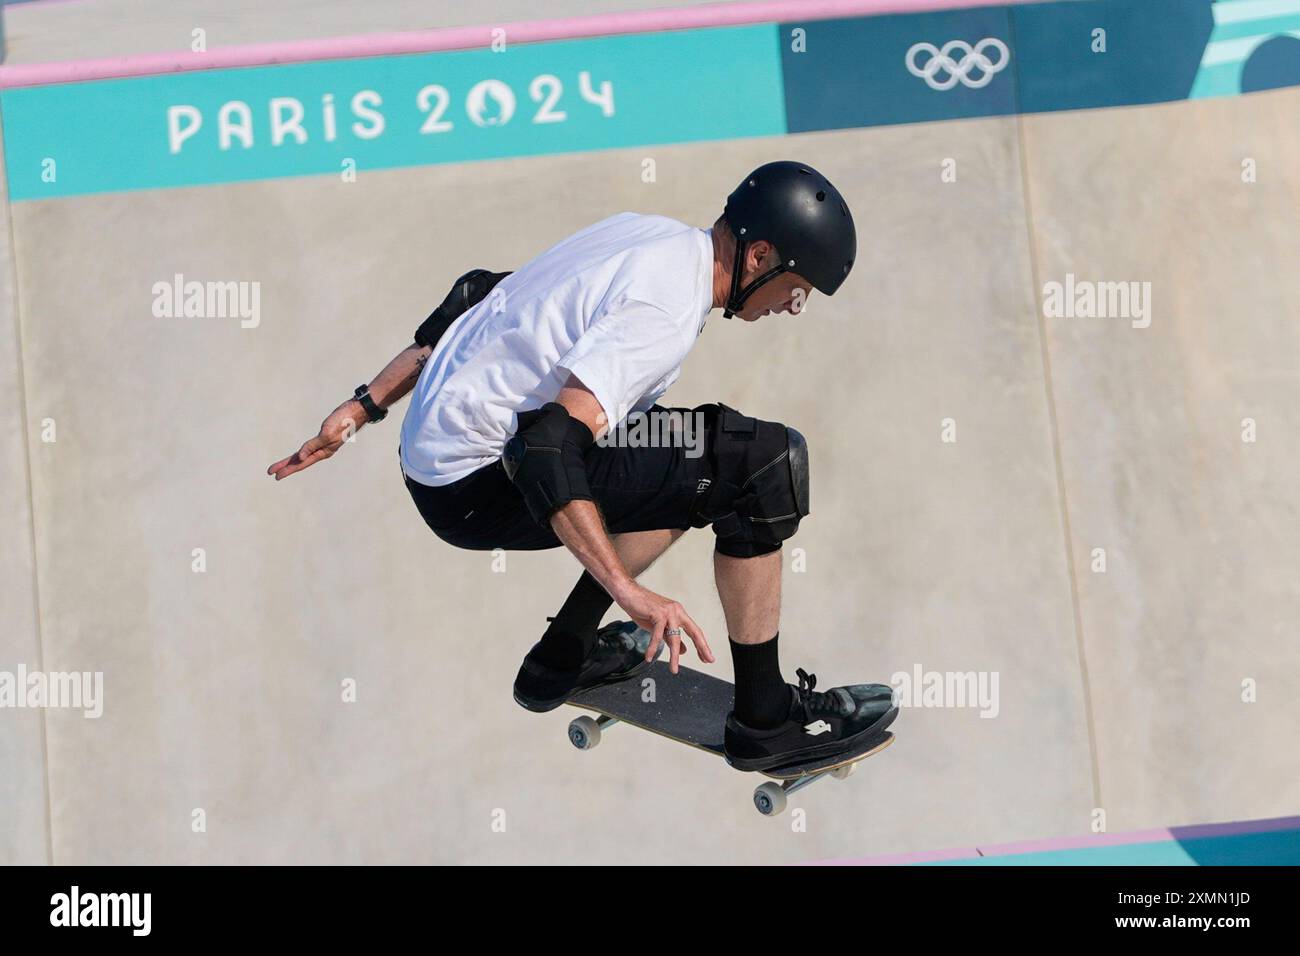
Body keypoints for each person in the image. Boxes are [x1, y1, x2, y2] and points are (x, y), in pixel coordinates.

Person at [268, 161, 896, 771]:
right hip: (478, 482)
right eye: (798, 290)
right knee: (762, 463)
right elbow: (543, 451)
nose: (792, 307)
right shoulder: (665, 312)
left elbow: (482, 293)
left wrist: (362, 406)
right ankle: (765, 723)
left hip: (433, 456)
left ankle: (562, 657)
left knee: (698, 458)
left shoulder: (648, 233)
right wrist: (631, 595)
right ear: (759, 257)